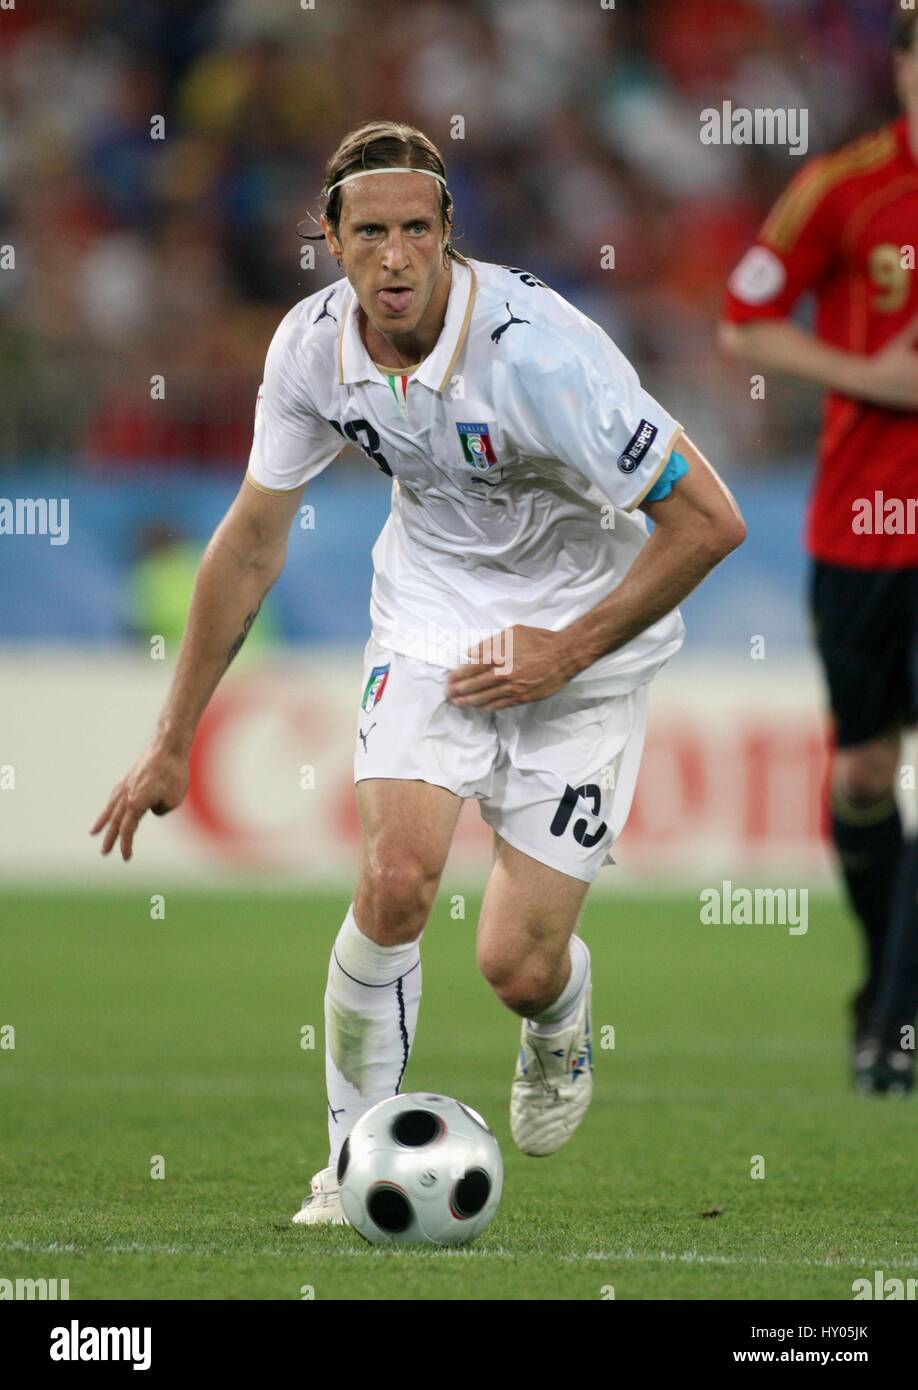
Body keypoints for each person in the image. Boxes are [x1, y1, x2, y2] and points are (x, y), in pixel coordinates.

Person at [92, 120, 745, 1226]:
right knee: (396, 882)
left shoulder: (540, 353)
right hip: (433, 623)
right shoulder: (308, 350)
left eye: (416, 231)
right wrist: (171, 738)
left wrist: (566, 649)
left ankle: (560, 1015)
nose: (395, 257)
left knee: (516, 967)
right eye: (370, 233)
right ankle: (349, 1166)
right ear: (330, 241)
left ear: (448, 235)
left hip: (585, 641)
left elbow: (710, 520)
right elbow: (252, 537)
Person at [720, 13, 918, 1095]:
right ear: (902, 67)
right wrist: (879, 375)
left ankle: (896, 1027)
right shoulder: (844, 190)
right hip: (862, 529)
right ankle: (878, 998)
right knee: (863, 772)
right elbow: (745, 321)